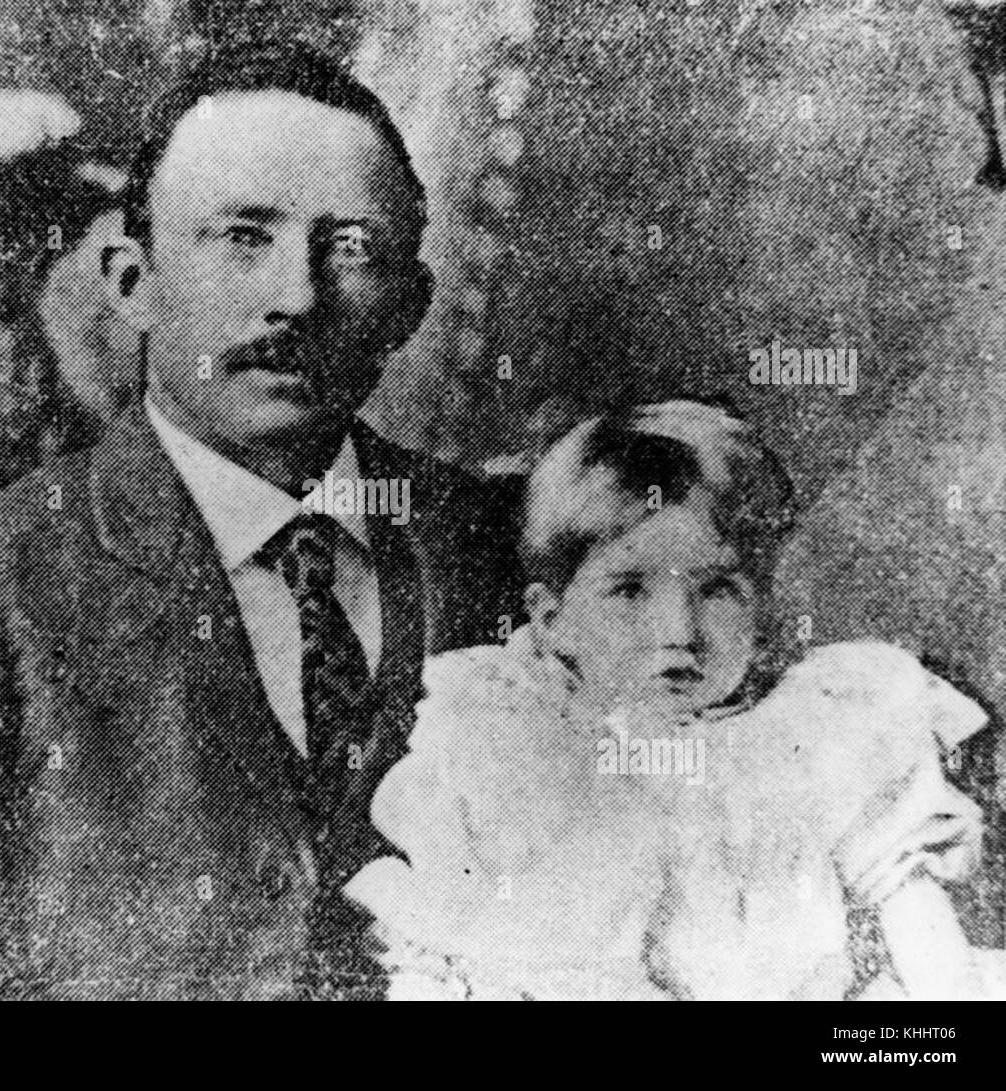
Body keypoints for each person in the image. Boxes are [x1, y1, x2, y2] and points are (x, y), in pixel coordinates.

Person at [0, 41, 520, 1001]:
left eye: (349, 250)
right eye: (242, 237)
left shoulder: (500, 547)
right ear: (133, 282)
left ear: (408, 306)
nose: (295, 297)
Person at [347, 399, 1003, 1000]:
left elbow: (913, 912)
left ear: (762, 603)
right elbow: (464, 945)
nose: (680, 632)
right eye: (630, 590)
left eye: (717, 588)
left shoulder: (819, 725)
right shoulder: (512, 732)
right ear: (552, 620)